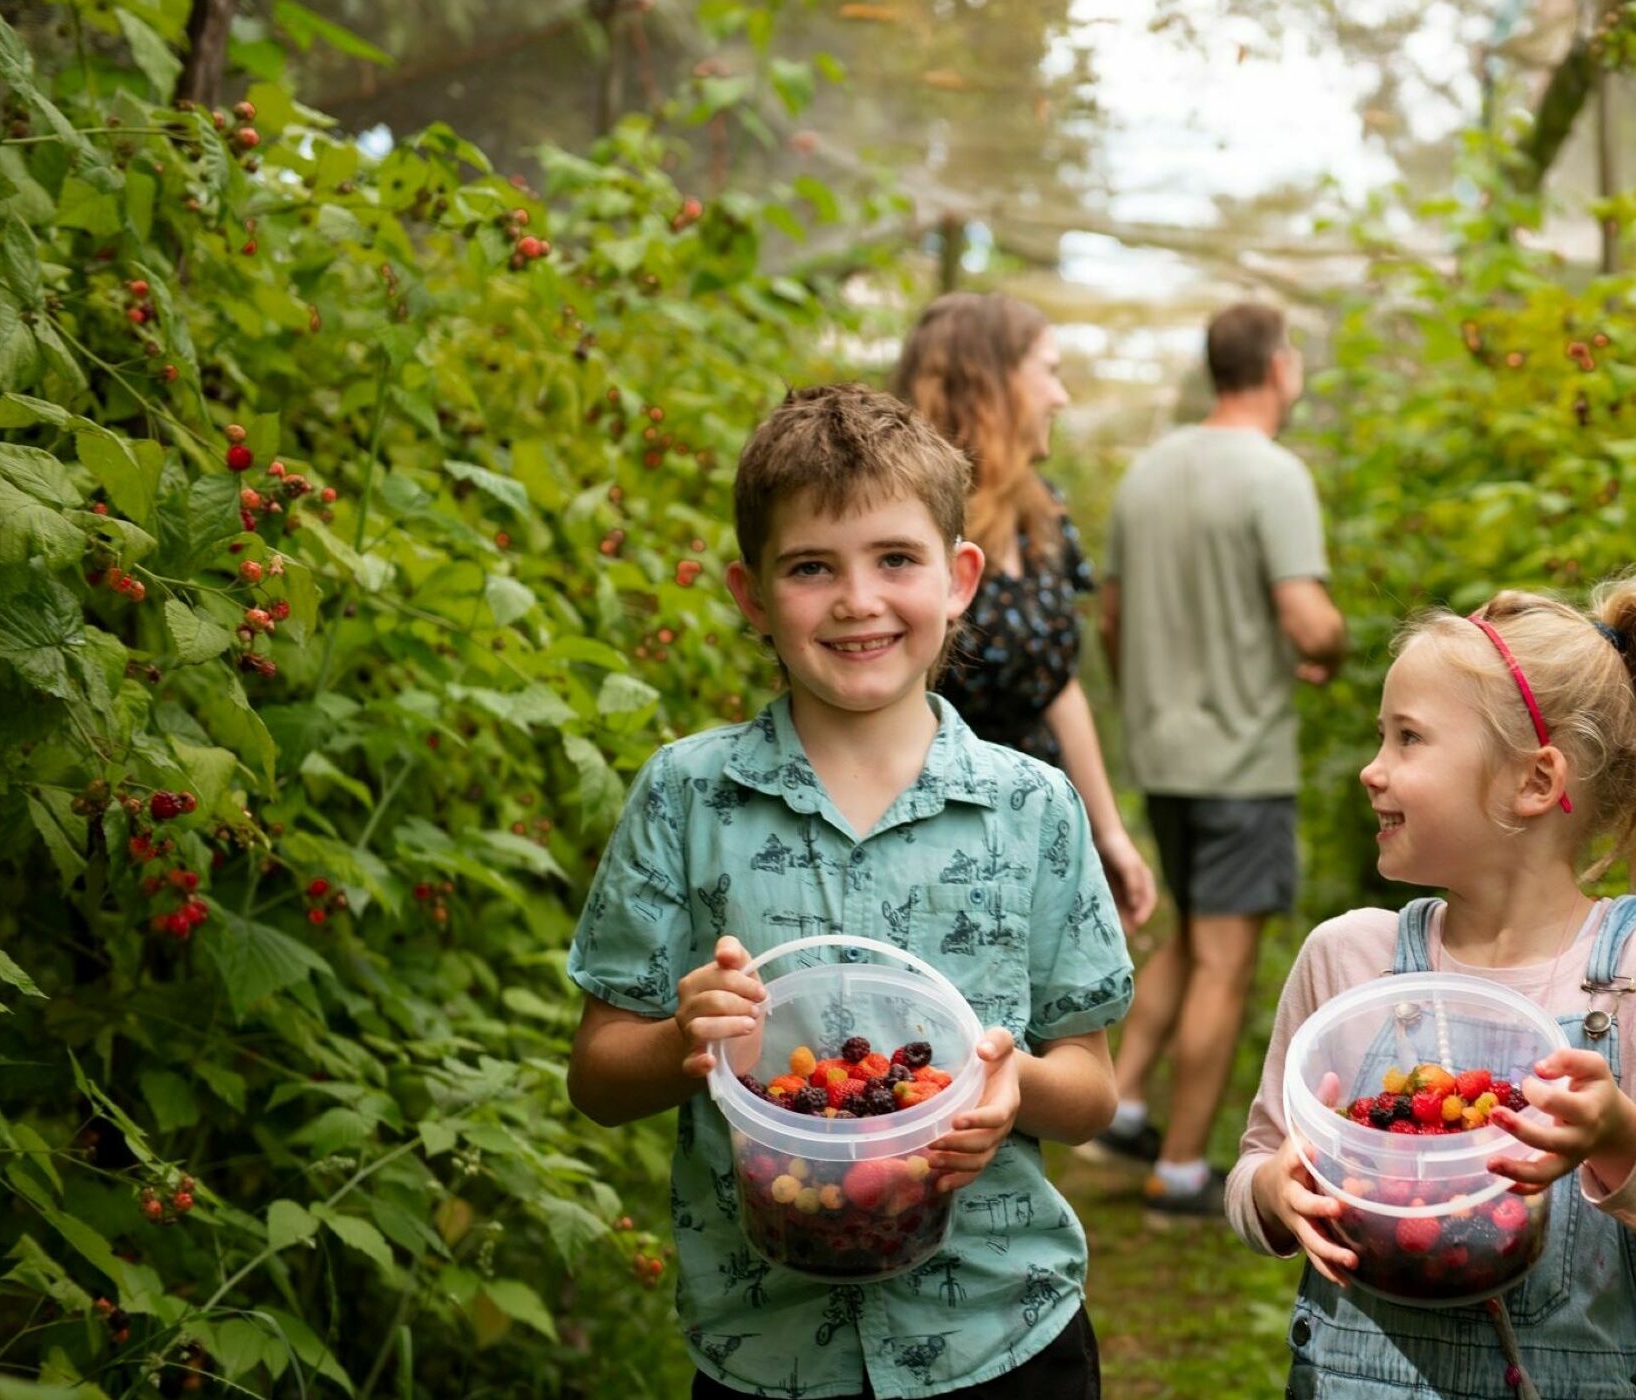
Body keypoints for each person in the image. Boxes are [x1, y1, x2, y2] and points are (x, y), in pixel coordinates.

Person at [565, 384, 1135, 1399]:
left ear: (960, 577)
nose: (858, 599)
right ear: (752, 594)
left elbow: (1091, 1086)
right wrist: (683, 1037)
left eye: (896, 559)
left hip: (1000, 1326)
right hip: (766, 1343)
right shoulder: (688, 795)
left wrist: (1012, 1091)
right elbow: (600, 1074)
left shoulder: (1032, 806)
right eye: (811, 566)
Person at [1228, 577, 1636, 1397]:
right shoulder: (1349, 960)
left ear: (1534, 783)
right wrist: (1274, 1189)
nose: (1373, 769)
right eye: (1380, 736)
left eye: (1408, 739)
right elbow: (1258, 1164)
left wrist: (1618, 1133)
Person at [1088, 302, 1344, 1216]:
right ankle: (1182, 1170)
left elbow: (1111, 620)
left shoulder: (1145, 474)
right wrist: (1334, 646)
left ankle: (1120, 1104)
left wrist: (1145, 705)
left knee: (1194, 935)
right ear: (1278, 367)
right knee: (1226, 963)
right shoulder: (1273, 475)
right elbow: (1307, 617)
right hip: (1241, 763)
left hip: (1163, 756)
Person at [893, 292, 1157, 936]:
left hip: (1039, 822)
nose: (1061, 397)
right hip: (938, 843)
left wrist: (1109, 834)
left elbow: (1058, 688)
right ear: (991, 382)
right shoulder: (911, 528)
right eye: (1049, 370)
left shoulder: (1044, 515)